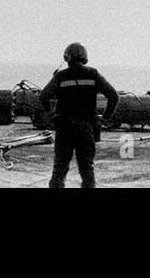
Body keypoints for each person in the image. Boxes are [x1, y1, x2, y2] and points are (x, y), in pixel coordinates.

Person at [38, 42, 119, 188]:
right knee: (87, 168)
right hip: (86, 127)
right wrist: (105, 118)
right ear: (85, 58)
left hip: (64, 127)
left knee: (60, 168)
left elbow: (44, 96)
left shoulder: (60, 76)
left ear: (66, 58)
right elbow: (114, 96)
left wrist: (51, 115)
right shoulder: (93, 74)